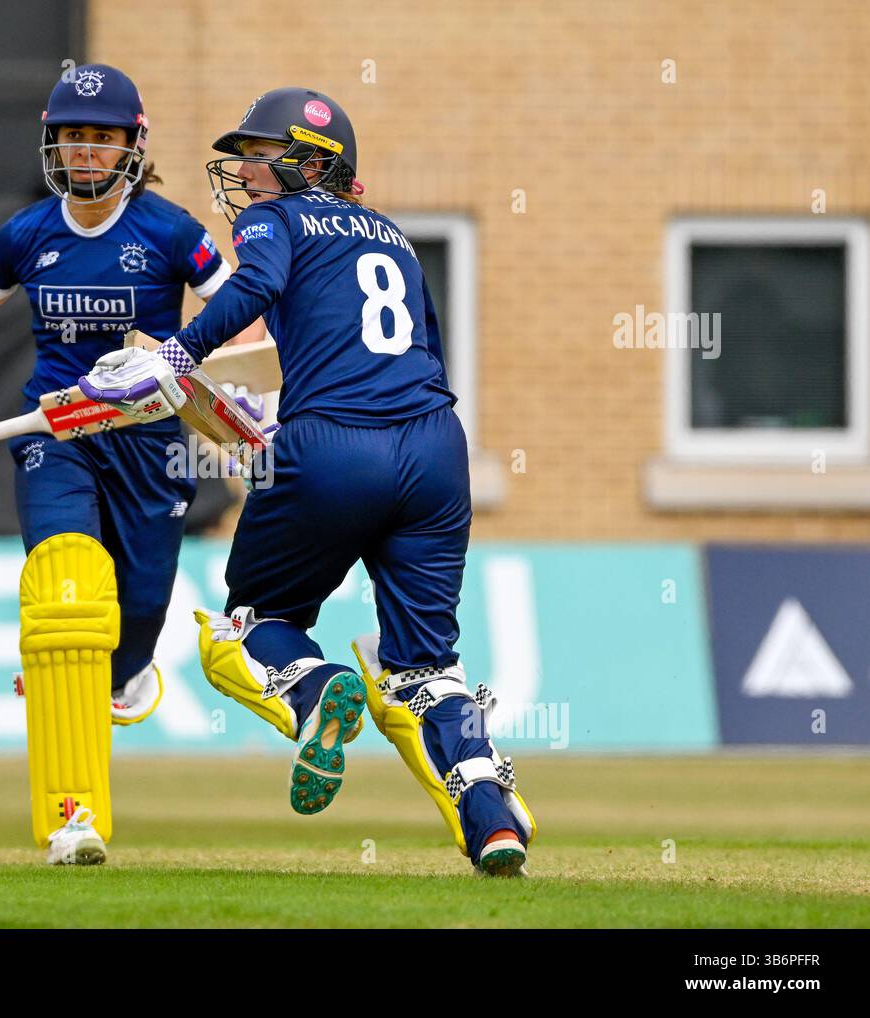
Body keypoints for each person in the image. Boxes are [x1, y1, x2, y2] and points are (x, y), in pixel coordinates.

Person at [78, 87, 537, 876]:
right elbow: (411, 351)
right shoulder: (393, 235)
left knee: (242, 627)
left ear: (310, 162)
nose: (244, 171)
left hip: (329, 448)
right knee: (427, 666)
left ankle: (313, 686)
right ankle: (491, 816)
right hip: (434, 449)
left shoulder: (276, 219)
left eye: (258, 154)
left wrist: (170, 361)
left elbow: (251, 290)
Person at [0, 64, 262, 864]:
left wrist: (194, 367)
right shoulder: (26, 236)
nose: (86, 152)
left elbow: (240, 320)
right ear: (51, 142)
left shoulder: (168, 232)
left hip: (153, 446)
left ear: (134, 143)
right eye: (72, 136)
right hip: (52, 435)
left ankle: (121, 675)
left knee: (131, 620)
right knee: (67, 594)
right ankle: (73, 819)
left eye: (101, 137)